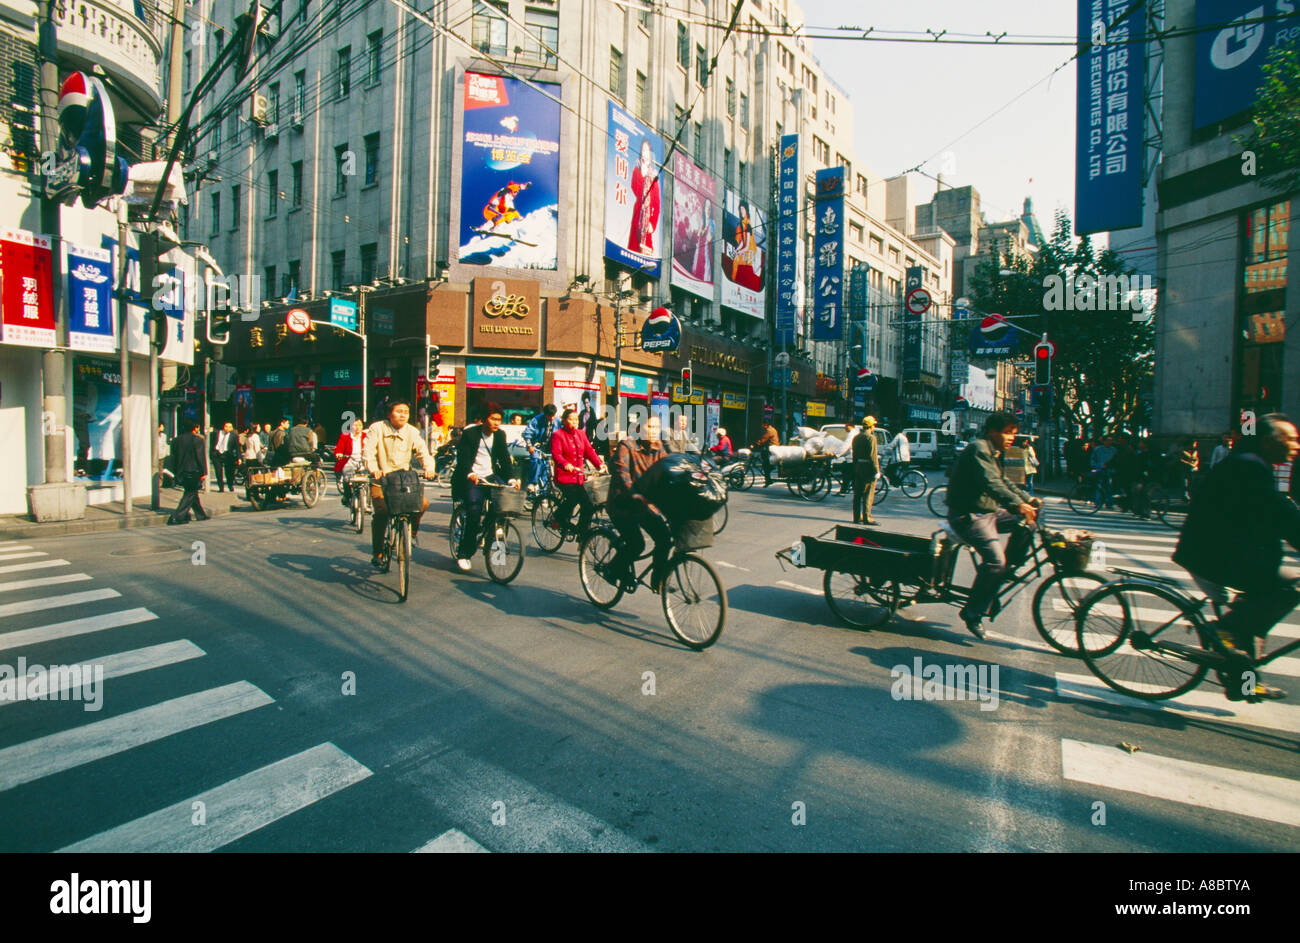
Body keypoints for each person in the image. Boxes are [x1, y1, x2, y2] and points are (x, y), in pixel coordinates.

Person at [1173, 414, 1300, 701]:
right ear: (1269, 442)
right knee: (1289, 588)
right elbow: (1283, 516)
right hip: (1216, 560)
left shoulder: (1250, 464)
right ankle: (1223, 630)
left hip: (1228, 556)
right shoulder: (1249, 468)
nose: (1295, 446)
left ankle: (1242, 682)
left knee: (1254, 613)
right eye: (1290, 439)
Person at [945, 412, 1040, 639]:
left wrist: (1026, 500)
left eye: (1013, 434)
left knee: (1028, 525)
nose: (1011, 438)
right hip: (968, 516)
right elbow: (991, 482)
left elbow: (1004, 481)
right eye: (1007, 433)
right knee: (996, 561)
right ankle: (972, 612)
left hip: (989, 512)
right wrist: (1018, 505)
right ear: (992, 432)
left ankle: (1007, 570)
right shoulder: (979, 449)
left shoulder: (994, 452)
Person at [362, 400, 434, 569]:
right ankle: (378, 551)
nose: (403, 414)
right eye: (399, 411)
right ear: (389, 414)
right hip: (381, 478)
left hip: (402, 479)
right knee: (381, 512)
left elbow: (423, 452)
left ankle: (412, 533)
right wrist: (374, 469)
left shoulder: (412, 431)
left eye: (406, 412)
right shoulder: (377, 428)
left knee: (422, 504)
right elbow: (369, 452)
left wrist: (429, 468)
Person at [608, 414, 671, 591]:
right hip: (623, 504)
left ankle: (657, 580)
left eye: (657, 428)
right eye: (649, 427)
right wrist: (633, 493)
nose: (653, 432)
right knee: (637, 544)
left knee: (665, 538)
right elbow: (622, 473)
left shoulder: (659, 449)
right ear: (638, 429)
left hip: (644, 505)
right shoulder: (627, 446)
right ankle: (613, 570)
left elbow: (668, 472)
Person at [451, 404, 515, 570]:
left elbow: (505, 458)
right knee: (474, 511)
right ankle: (464, 553)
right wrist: (469, 473)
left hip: (490, 476)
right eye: (493, 419)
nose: (496, 423)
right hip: (472, 477)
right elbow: (463, 457)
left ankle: (495, 550)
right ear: (484, 418)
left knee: (503, 510)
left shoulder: (500, 435)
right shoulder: (470, 434)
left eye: (499, 420)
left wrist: (512, 478)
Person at [551, 407, 605, 538]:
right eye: (571, 419)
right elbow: (556, 454)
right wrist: (566, 464)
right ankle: (557, 517)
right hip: (564, 477)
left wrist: (599, 464)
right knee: (573, 498)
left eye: (576, 419)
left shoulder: (581, 433)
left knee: (589, 503)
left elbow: (589, 451)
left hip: (579, 477)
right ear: (563, 421)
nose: (574, 421)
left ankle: (582, 532)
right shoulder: (558, 435)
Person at [167, 423, 210, 525]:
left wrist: (175, 471)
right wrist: (204, 471)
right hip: (194, 470)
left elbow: (173, 457)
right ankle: (177, 516)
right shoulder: (197, 440)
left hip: (181, 470)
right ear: (195, 428)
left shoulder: (176, 440)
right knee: (190, 493)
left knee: (193, 492)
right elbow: (200, 456)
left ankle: (201, 515)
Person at [627, 139, 660, 254]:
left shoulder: (654, 177)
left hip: (647, 222)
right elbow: (635, 189)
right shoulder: (637, 170)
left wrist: (653, 224)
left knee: (647, 253)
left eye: (646, 150)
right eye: (643, 150)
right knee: (633, 249)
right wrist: (642, 172)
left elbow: (657, 205)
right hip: (638, 216)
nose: (644, 153)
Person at [522, 404, 558, 491]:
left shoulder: (557, 421)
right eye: (549, 416)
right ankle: (532, 483)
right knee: (536, 460)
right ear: (545, 414)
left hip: (549, 447)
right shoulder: (536, 420)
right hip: (537, 446)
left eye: (553, 416)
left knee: (546, 467)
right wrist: (530, 446)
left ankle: (544, 492)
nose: (552, 418)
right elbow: (527, 433)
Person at [852, 416, 880, 525]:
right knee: (868, 494)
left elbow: (854, 455)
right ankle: (867, 518)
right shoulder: (871, 438)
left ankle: (856, 517)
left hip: (858, 467)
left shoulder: (857, 437)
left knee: (857, 494)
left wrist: (855, 467)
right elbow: (872, 456)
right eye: (874, 425)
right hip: (868, 469)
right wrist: (876, 470)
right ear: (871, 426)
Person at [335, 418, 366, 506]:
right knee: (347, 479)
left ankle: (367, 502)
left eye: (360, 425)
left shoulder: (366, 436)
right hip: (350, 460)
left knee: (369, 480)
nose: (357, 427)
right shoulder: (345, 436)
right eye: (355, 425)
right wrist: (339, 453)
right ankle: (347, 496)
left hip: (364, 461)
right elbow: (339, 447)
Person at [750, 420, 780, 487]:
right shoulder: (773, 429)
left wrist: (755, 444)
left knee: (765, 465)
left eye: (763, 425)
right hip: (772, 448)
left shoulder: (769, 431)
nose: (762, 426)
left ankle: (768, 479)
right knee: (765, 461)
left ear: (766, 424)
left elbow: (763, 439)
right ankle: (768, 477)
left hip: (772, 449)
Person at [1090, 434, 1117, 508]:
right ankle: (1098, 502)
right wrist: (1096, 466)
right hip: (1100, 469)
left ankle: (1109, 503)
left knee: (1109, 486)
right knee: (1099, 485)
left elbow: (1116, 461)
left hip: (1110, 470)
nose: (1109, 442)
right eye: (1108, 440)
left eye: (1110, 441)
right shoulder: (1098, 449)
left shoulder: (1114, 450)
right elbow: (1093, 459)